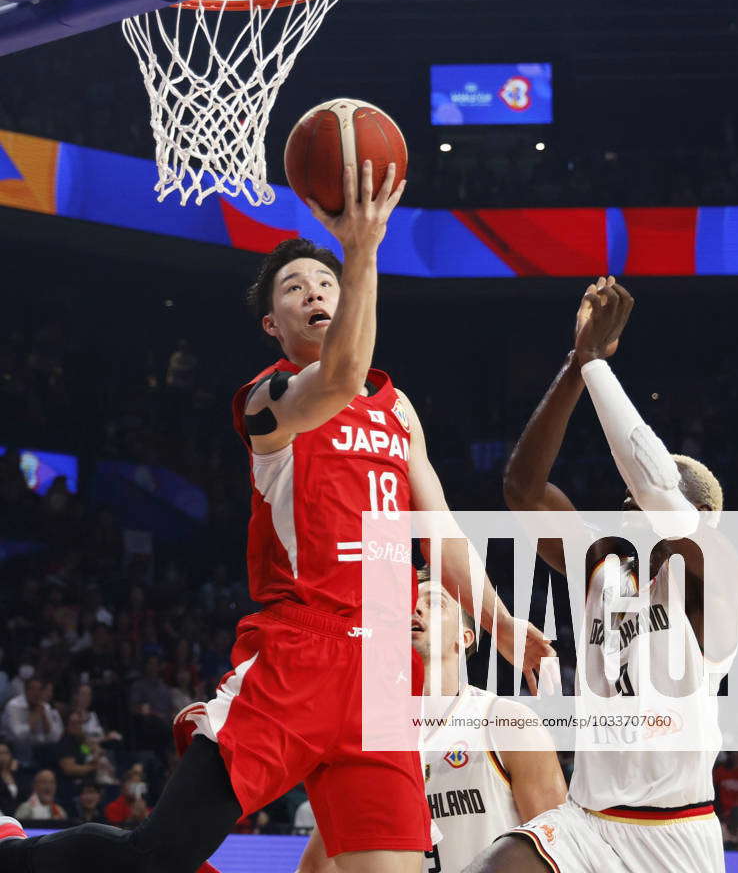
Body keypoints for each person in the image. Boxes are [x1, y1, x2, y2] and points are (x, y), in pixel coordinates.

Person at [0, 162, 551, 873]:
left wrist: (500, 621)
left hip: (384, 675)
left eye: (324, 282)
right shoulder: (268, 401)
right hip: (300, 655)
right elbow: (345, 373)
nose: (314, 292)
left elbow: (439, 528)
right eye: (296, 289)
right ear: (273, 324)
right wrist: (360, 251)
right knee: (159, 857)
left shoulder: (400, 411)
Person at [467, 277, 738, 873]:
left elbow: (654, 483)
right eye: (624, 497)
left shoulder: (717, 575)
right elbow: (522, 489)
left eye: (640, 497)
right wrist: (573, 365)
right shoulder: (602, 566)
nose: (627, 500)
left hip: (675, 834)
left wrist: (596, 366)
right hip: (586, 821)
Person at [299, 567, 567, 873]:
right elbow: (317, 868)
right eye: (408, 601)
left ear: (465, 637)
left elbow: (558, 849)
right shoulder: (361, 738)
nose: (415, 607)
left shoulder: (506, 721)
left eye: (435, 602)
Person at [1, 678, 63, 761]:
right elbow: (19, 736)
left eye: (39, 689)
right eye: (32, 689)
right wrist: (35, 716)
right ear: (26, 691)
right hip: (14, 747)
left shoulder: (45, 707)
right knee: (25, 748)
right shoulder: (13, 706)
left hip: (40, 748)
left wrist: (44, 717)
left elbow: (54, 738)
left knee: (55, 750)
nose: (36, 693)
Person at [0, 741, 20, 816]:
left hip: (17, 815)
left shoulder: (17, 775)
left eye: (5, 753)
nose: (3, 757)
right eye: (0, 753)